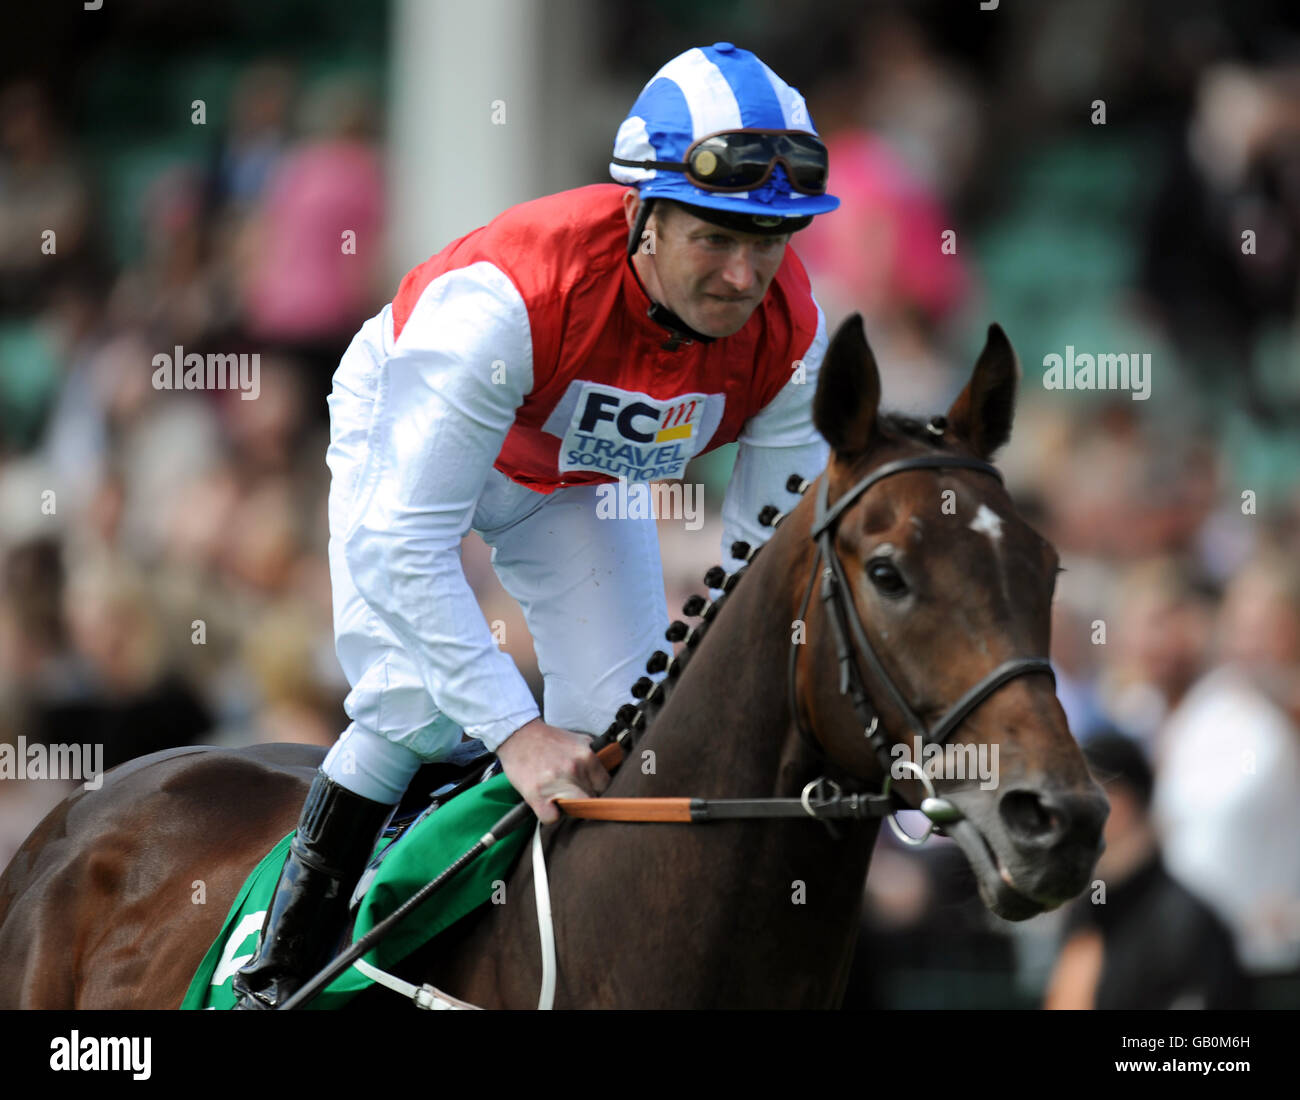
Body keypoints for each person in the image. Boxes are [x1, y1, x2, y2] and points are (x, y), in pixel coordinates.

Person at [233, 42, 841, 1009]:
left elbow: (766, 572)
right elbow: (404, 547)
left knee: (622, 736)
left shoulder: (796, 333)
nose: (741, 275)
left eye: (769, 241)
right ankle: (278, 968)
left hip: (573, 476)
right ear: (642, 214)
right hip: (414, 425)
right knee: (412, 707)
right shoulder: (507, 299)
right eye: (715, 236)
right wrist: (515, 733)